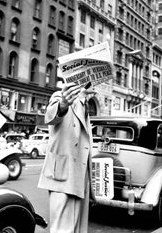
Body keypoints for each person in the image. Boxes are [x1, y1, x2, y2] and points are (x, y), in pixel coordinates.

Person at [38, 82, 96, 233]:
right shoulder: (61, 95)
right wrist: (63, 104)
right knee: (63, 229)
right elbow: (51, 117)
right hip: (63, 176)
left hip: (80, 177)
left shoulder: (85, 104)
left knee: (77, 228)